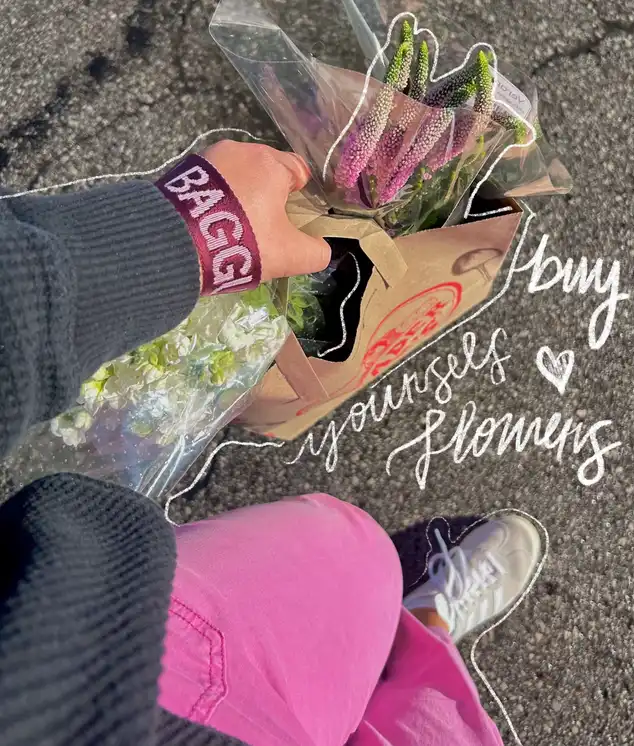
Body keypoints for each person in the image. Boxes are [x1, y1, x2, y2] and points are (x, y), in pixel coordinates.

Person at [0, 140, 541, 746]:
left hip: (105, 640)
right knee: (413, 679)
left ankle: (410, 630)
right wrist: (189, 230)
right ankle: (426, 627)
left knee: (356, 556)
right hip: (150, 663)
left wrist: (192, 234)